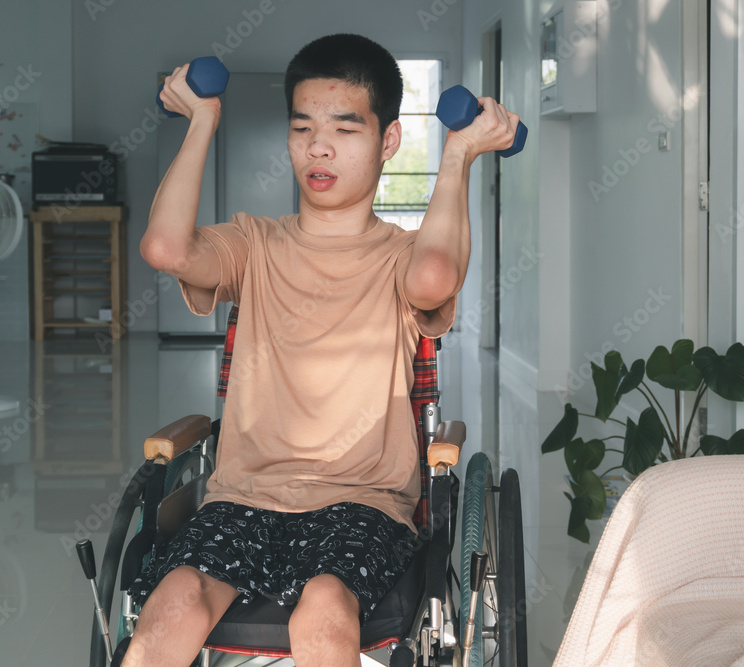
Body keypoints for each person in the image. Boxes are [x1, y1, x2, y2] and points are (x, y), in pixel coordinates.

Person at [124, 33, 519, 667]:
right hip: (243, 497)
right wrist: (201, 121)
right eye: (302, 127)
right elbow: (166, 249)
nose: (319, 146)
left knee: (325, 611)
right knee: (172, 605)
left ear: (388, 141)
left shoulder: (399, 257)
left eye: (345, 127)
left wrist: (460, 155)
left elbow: (434, 278)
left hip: (362, 502)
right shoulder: (253, 242)